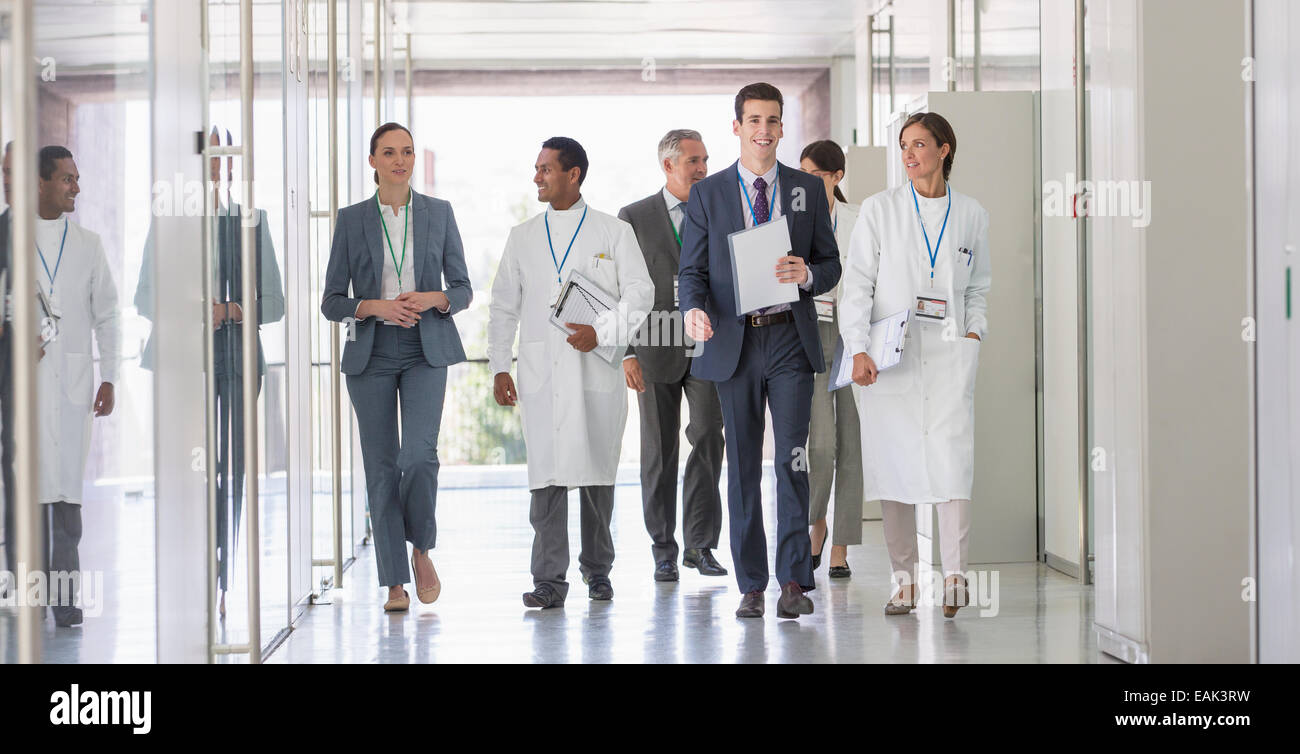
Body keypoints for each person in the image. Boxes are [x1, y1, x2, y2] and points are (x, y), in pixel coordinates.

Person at [678, 83, 842, 619]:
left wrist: (809, 274)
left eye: (773, 121)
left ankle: (794, 579)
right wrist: (693, 310)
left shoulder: (807, 191)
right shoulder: (708, 194)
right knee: (744, 465)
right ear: (737, 127)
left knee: (793, 462)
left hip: (790, 341)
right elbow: (692, 272)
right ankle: (751, 584)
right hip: (734, 341)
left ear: (781, 127)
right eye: (754, 121)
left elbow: (831, 264)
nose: (764, 131)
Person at [489, 136, 653, 609]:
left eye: (545, 169)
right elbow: (503, 306)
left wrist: (602, 331)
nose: (537, 176)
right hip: (541, 372)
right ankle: (548, 581)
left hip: (594, 369)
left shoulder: (612, 232)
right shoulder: (522, 236)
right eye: (537, 168)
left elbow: (640, 294)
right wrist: (500, 366)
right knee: (546, 478)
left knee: (597, 475)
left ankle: (598, 573)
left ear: (573, 174)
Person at [838, 112, 992, 618]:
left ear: (944, 149)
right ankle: (903, 582)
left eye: (919, 144)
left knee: (952, 463)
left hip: (949, 355)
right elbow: (857, 283)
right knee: (895, 467)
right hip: (890, 358)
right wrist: (857, 346)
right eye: (904, 145)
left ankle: (954, 577)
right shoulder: (880, 210)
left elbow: (978, 288)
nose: (909, 154)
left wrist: (973, 330)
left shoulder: (970, 212)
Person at [135, 126, 285, 619]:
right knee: (191, 471)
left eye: (225, 157)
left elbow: (275, 302)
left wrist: (232, 311)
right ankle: (194, 568)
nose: (218, 166)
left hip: (238, 364)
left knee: (232, 470)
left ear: (233, 165)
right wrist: (202, 309)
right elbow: (145, 297)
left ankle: (223, 574)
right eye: (210, 157)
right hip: (185, 362)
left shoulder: (252, 221)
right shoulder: (169, 222)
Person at [321, 122, 471, 613]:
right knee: (381, 468)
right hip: (372, 354)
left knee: (420, 456)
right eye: (389, 153)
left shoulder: (439, 213)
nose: (399, 160)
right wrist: (375, 307)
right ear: (373, 162)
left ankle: (421, 549)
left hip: (426, 350)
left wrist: (434, 298)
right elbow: (331, 301)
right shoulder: (351, 219)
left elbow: (464, 289)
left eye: (406, 151)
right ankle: (393, 583)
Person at [618, 129, 727, 583]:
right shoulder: (634, 216)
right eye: (693, 161)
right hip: (653, 345)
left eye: (705, 159)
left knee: (708, 436)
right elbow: (617, 285)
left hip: (708, 344)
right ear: (668, 165)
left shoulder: (721, 209)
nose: (703, 168)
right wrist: (625, 349)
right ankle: (663, 548)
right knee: (659, 451)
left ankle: (699, 545)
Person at [33, 146, 120, 627]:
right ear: (41, 183)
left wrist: (110, 375)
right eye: (67, 179)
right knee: (26, 495)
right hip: (22, 385)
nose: (76, 188)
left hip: (72, 384)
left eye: (78, 178)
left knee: (67, 498)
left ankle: (65, 601)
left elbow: (107, 313)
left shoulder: (87, 243)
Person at [799, 139, 863, 579]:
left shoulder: (861, 219)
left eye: (819, 174)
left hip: (857, 332)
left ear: (837, 176)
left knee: (853, 444)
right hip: (813, 330)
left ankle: (840, 545)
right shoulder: (794, 222)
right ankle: (815, 522)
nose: (810, 182)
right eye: (805, 174)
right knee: (820, 443)